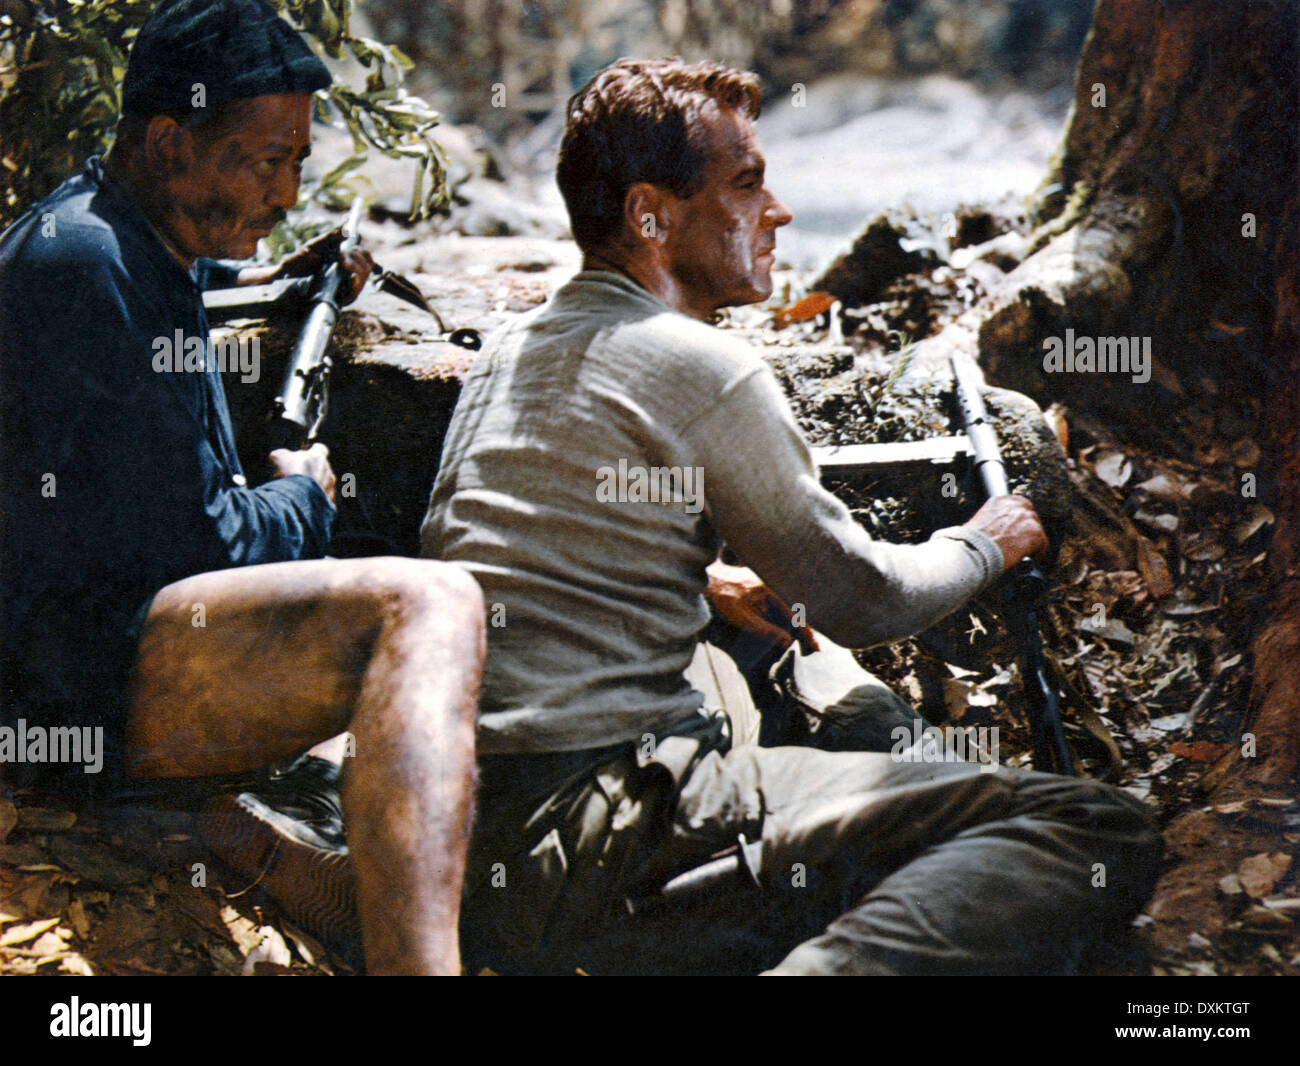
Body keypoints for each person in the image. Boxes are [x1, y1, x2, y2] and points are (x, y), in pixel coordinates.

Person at [420, 57, 1162, 975]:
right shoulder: (701, 366)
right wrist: (983, 541)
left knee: (775, 653)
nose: (777, 212)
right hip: (608, 832)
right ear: (651, 215)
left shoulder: (508, 350)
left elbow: (518, 560)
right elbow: (864, 599)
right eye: (746, 184)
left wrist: (702, 582)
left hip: (458, 834)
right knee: (1092, 824)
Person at [0, 0, 482, 975]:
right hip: (70, 694)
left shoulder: (121, 245)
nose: (286, 189)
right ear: (172, 142)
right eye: (265, 161)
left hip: (92, 665)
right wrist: (304, 493)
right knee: (429, 603)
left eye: (298, 163)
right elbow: (202, 548)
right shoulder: (87, 268)